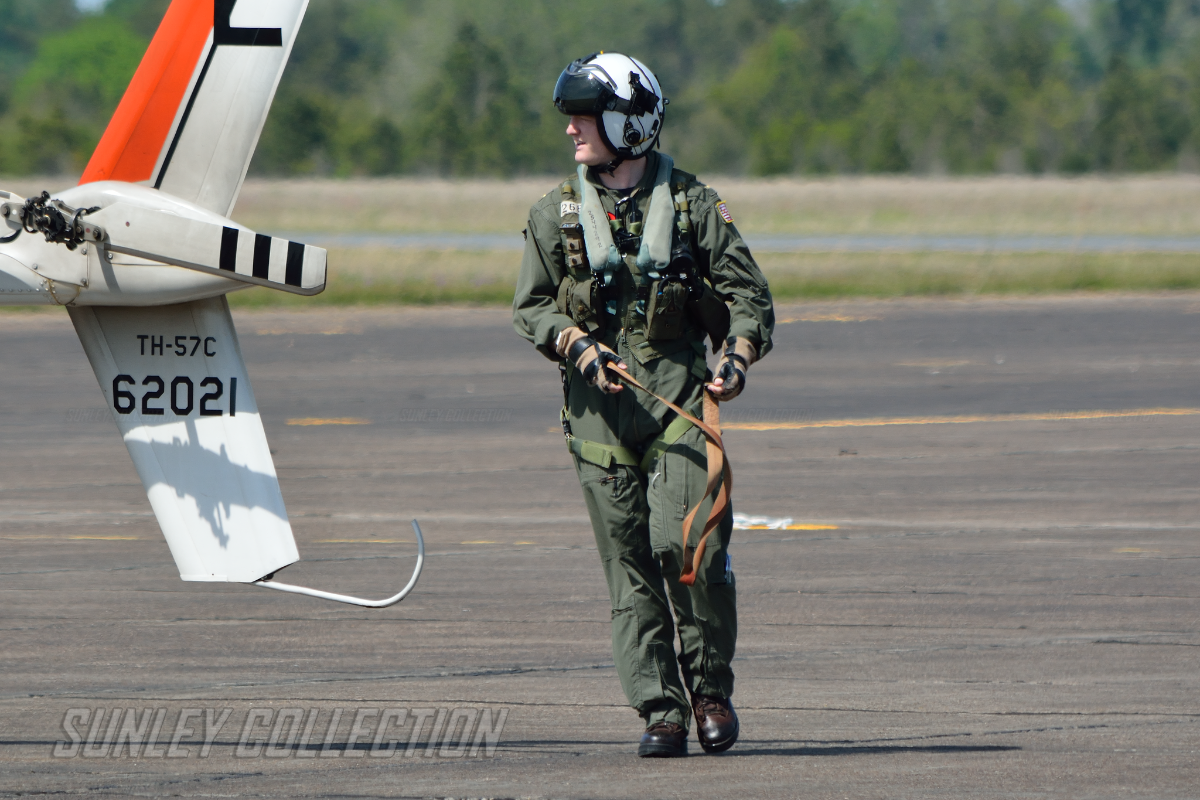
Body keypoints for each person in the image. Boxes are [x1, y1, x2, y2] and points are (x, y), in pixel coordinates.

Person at [512, 52, 774, 758]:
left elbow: (751, 298)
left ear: (628, 124)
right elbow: (529, 307)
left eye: (585, 117)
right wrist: (575, 344)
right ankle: (661, 709)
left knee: (684, 544)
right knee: (627, 564)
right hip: (598, 420)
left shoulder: (693, 206)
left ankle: (709, 688)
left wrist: (739, 359)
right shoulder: (553, 215)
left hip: (679, 403)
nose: (571, 130)